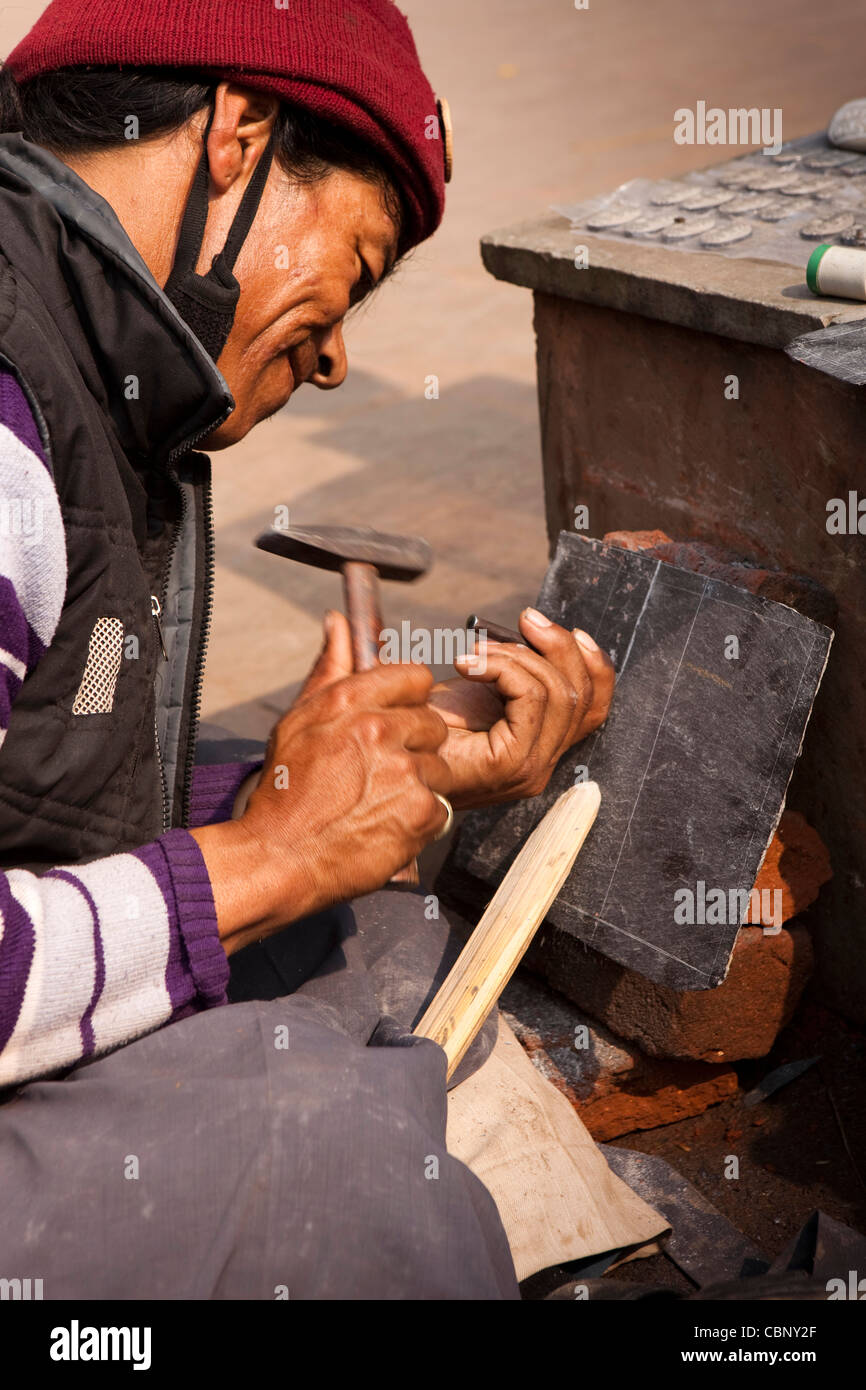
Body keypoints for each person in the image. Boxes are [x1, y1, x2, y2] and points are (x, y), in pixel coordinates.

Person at [0, 0, 614, 1299]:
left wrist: (396, 768)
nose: (337, 357)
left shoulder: (74, 363)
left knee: (374, 936)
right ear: (238, 132)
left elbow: (42, 805)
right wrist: (265, 858)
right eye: (359, 258)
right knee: (327, 1151)